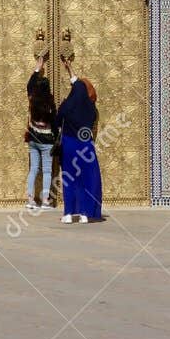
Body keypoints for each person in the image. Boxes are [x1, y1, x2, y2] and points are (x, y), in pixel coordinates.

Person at [55, 50, 102, 223]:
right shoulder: (91, 110)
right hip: (86, 146)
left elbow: (58, 119)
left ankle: (68, 214)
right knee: (85, 179)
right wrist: (70, 69)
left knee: (69, 178)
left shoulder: (67, 106)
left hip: (69, 144)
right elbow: (79, 86)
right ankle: (84, 213)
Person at [25, 49, 58, 213]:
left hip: (33, 139)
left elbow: (29, 85)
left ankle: (30, 199)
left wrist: (39, 66)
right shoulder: (49, 104)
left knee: (33, 169)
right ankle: (45, 200)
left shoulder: (32, 99)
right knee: (46, 171)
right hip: (46, 142)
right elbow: (55, 123)